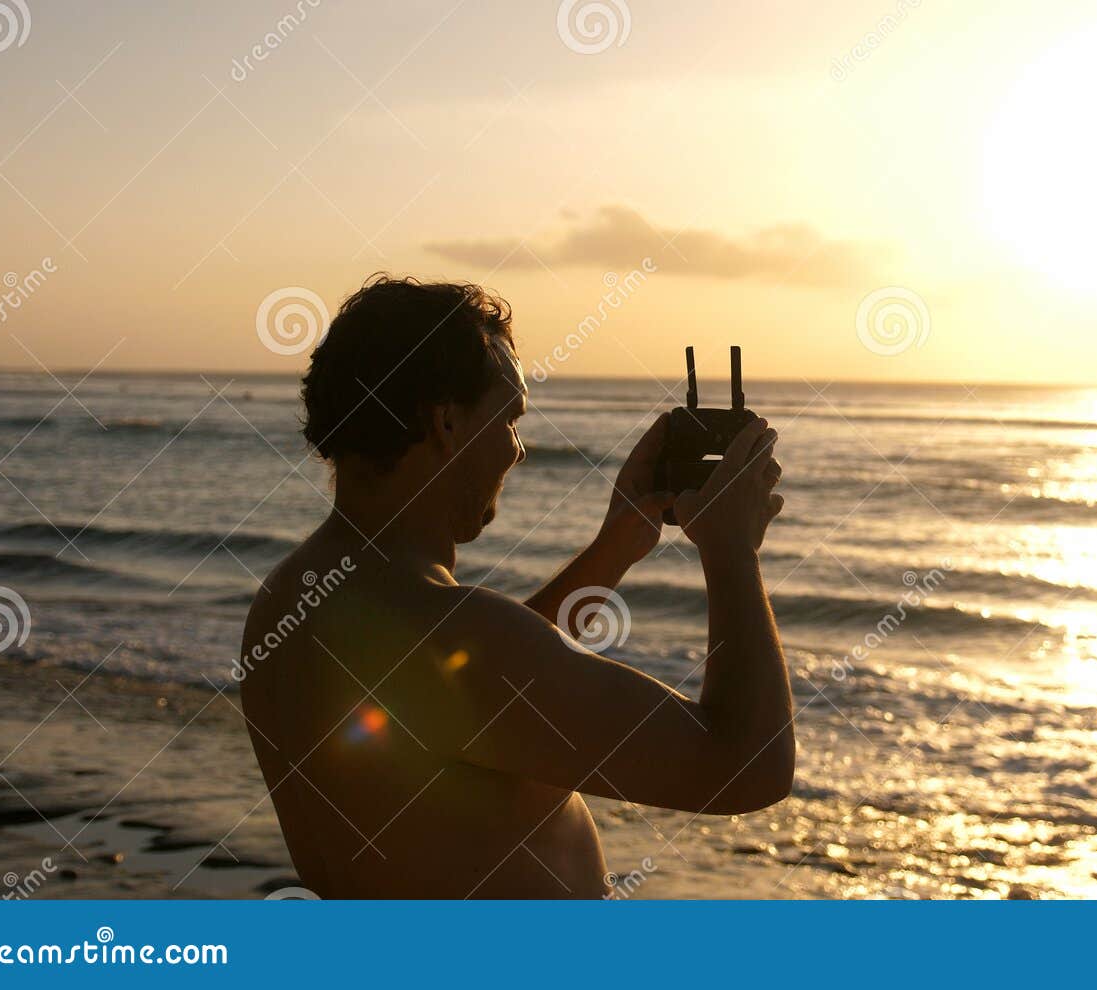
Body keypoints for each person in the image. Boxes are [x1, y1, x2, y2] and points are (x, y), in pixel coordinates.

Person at [238, 276, 792, 898]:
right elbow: (749, 764)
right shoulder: (448, 631)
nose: (520, 450)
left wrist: (615, 547)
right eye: (509, 418)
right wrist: (732, 551)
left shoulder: (294, 597)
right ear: (447, 423)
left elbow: (477, 695)